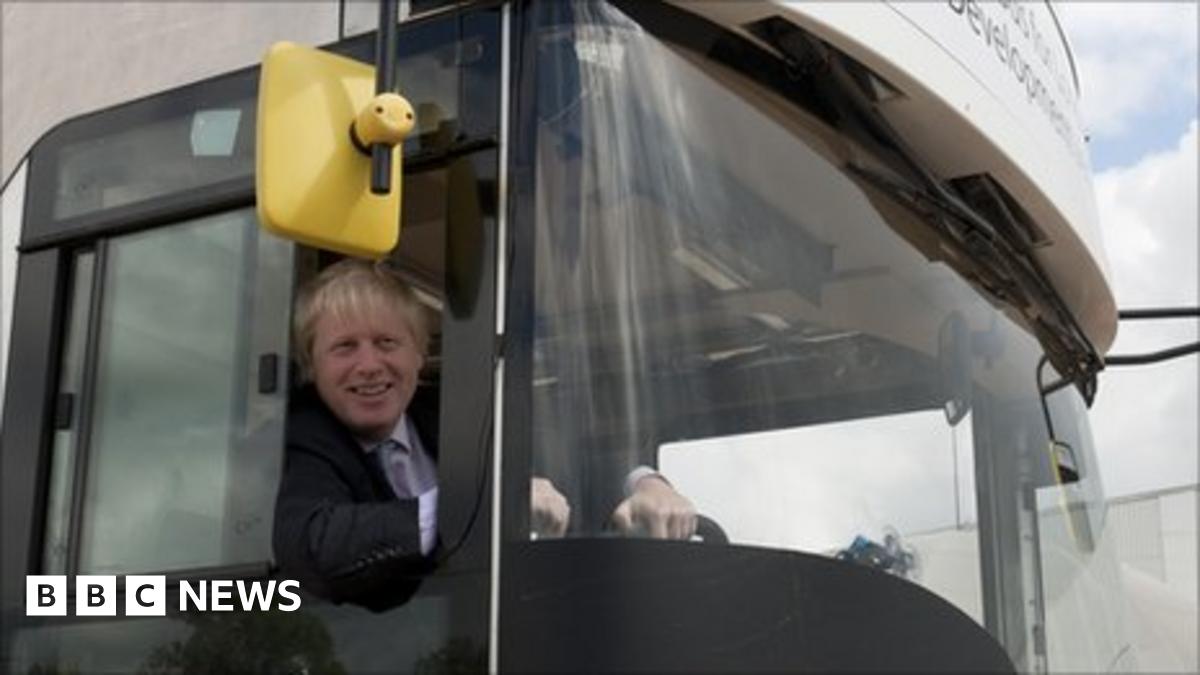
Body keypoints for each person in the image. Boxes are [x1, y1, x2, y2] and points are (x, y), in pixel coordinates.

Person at [273, 259, 695, 610]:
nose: (368, 365)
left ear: (419, 354)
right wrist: (482, 506)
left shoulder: (453, 411)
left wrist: (646, 484)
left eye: (386, 343)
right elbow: (313, 548)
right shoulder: (296, 433)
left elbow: (569, 457)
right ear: (312, 365)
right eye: (344, 347)